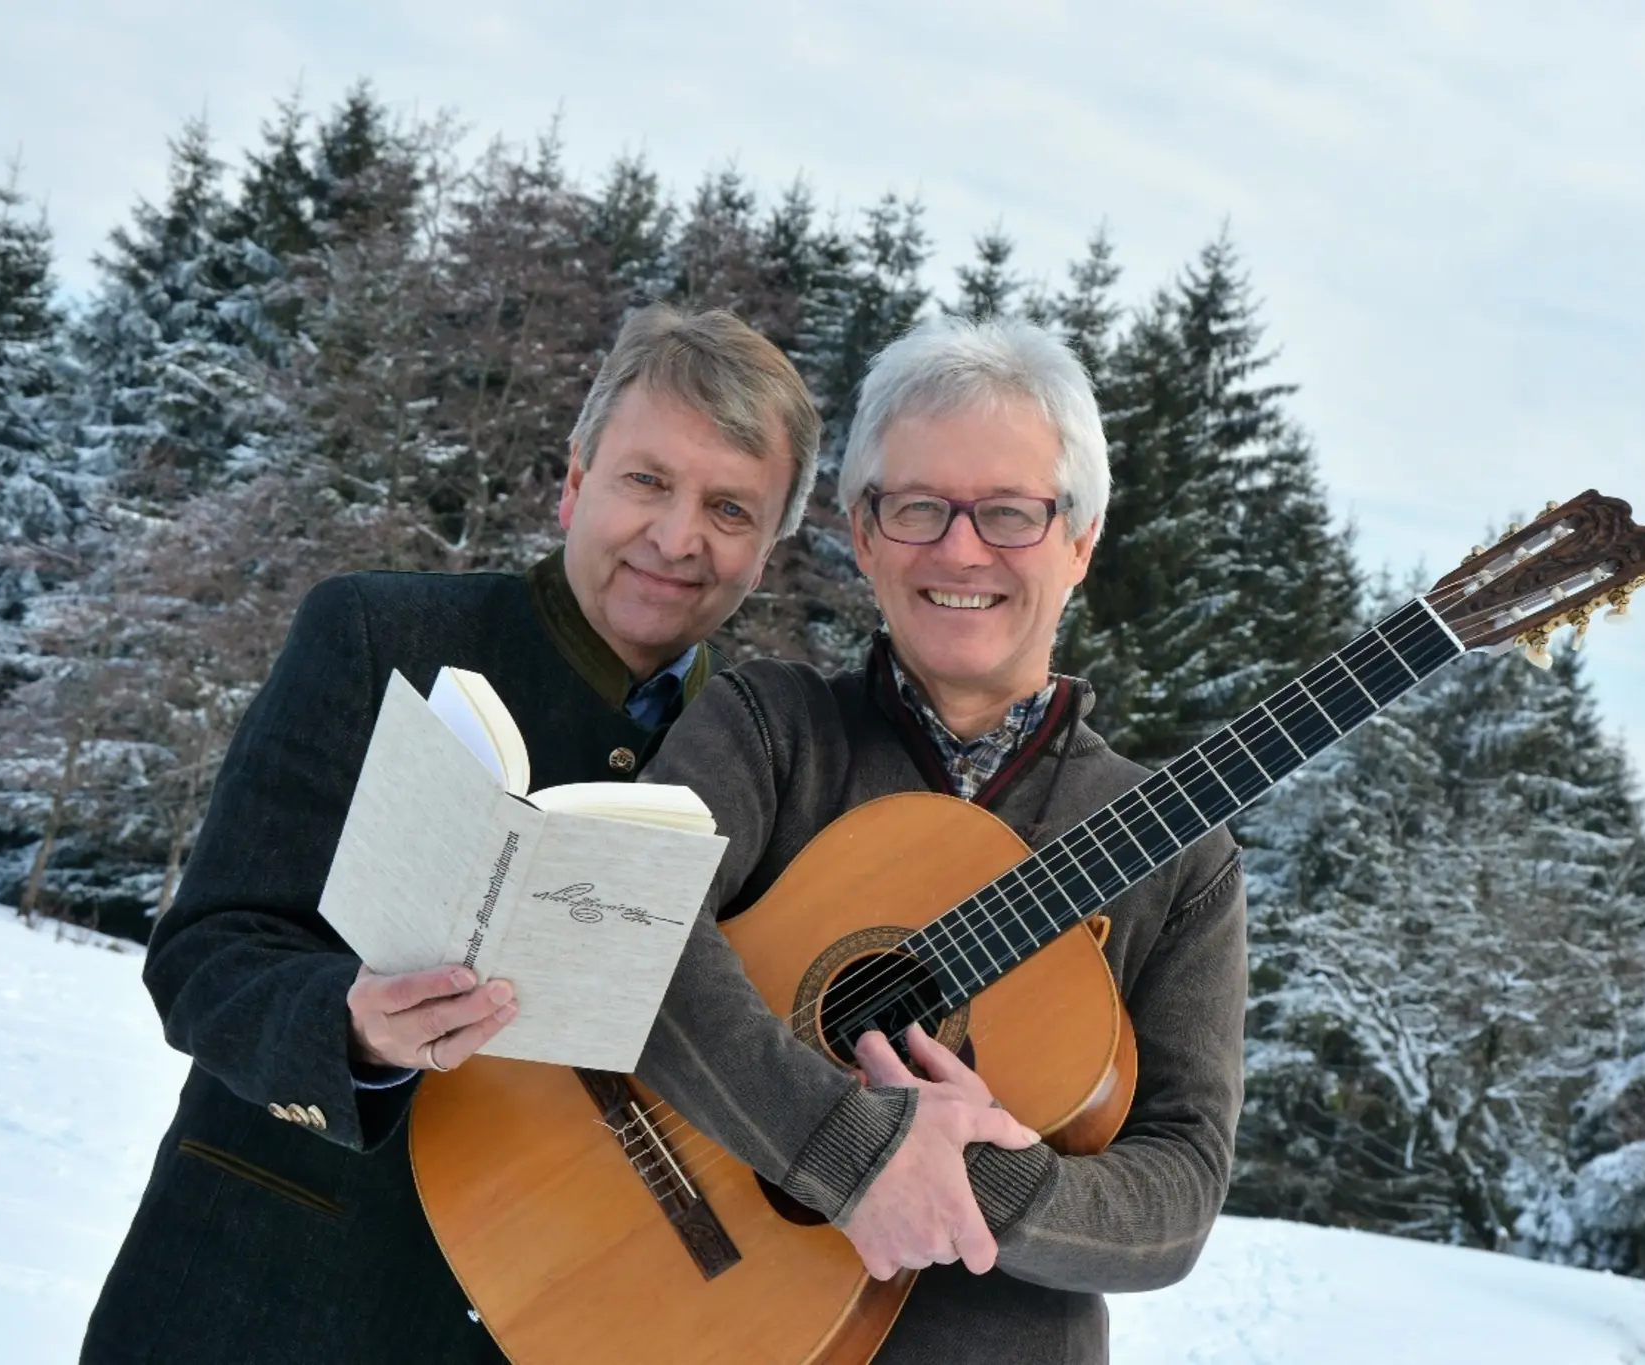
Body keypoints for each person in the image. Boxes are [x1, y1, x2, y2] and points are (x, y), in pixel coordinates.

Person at [80, 305, 1024, 1364]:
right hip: (265, 1292)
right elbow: (205, 957)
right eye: (645, 482)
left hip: (550, 1319)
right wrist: (352, 1028)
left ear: (764, 553)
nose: (677, 538)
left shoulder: (764, 758)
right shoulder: (373, 636)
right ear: (574, 481)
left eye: (727, 508)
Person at [637, 317, 1247, 1363]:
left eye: (1008, 514)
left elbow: (1178, 1196)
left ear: (1080, 542)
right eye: (917, 508)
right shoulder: (768, 728)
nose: (959, 550)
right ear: (864, 534)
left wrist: (987, 1178)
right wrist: (843, 1150)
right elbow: (631, 923)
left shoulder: (1181, 854)